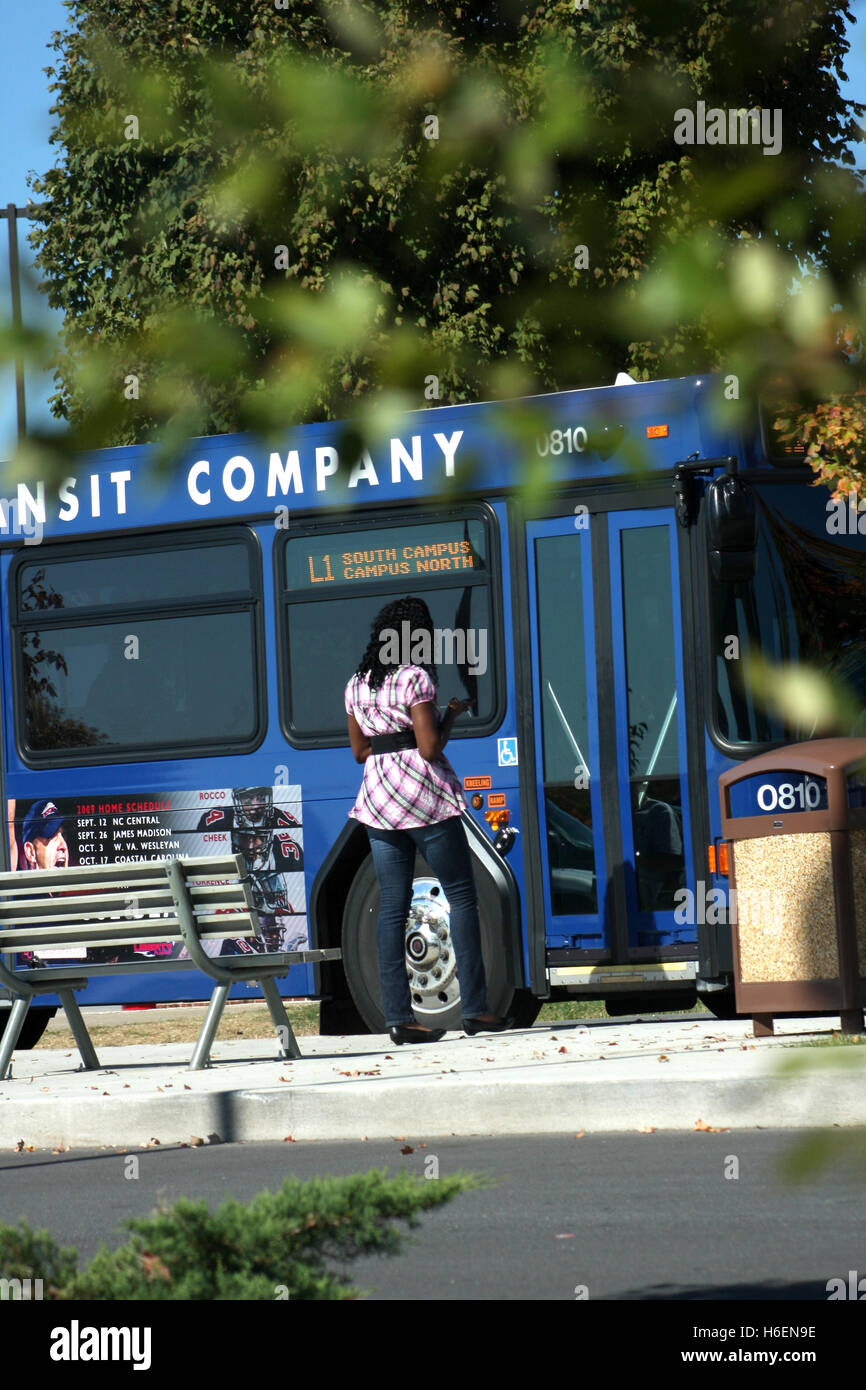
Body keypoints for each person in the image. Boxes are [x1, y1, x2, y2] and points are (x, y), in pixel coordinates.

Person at [344, 596, 512, 1045]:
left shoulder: (356, 685)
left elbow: (361, 752)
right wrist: (451, 717)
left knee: (392, 909)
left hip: (378, 802)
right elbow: (429, 747)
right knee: (461, 894)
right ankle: (476, 1011)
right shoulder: (413, 679)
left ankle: (399, 1018)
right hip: (423, 798)